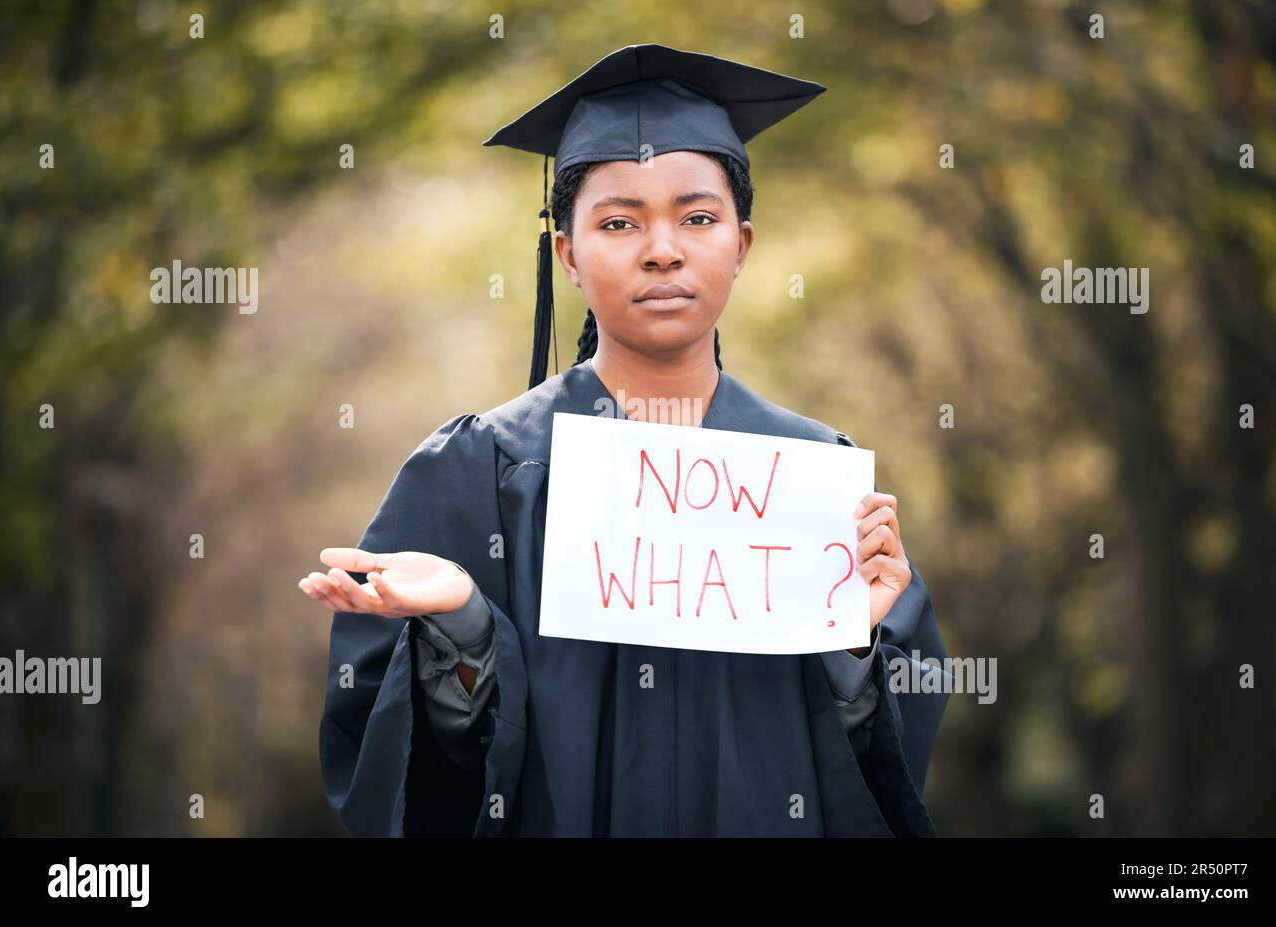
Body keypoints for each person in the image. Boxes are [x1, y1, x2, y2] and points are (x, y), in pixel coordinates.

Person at [302, 44, 950, 837]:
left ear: (742, 245)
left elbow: (885, 772)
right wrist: (466, 630)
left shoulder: (818, 487)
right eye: (619, 222)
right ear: (567, 254)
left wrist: (854, 645)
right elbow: (400, 776)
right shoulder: (478, 472)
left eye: (698, 217)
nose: (663, 248)